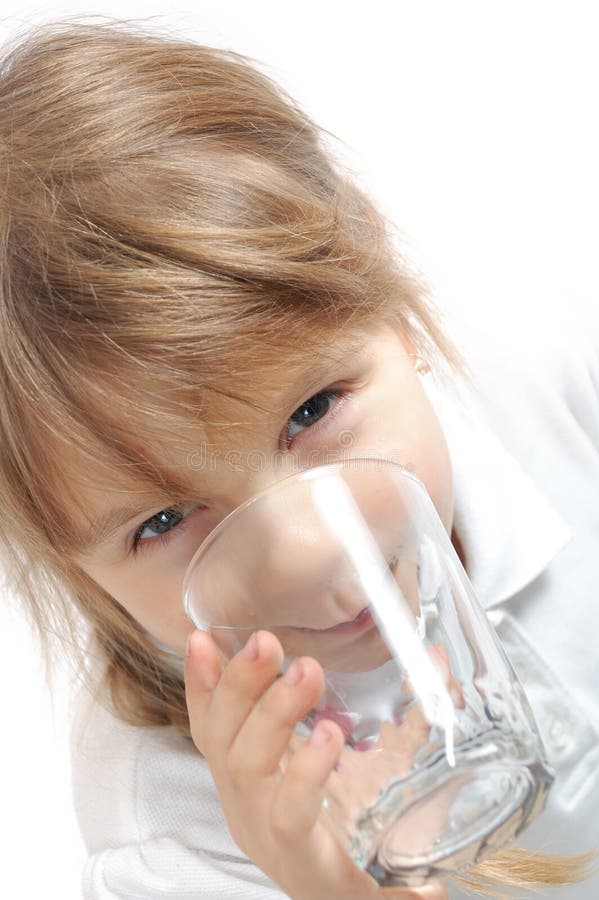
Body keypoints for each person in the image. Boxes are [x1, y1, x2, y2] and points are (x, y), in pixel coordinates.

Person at [0, 16, 597, 900]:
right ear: (72, 568)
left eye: (312, 412)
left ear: (383, 284)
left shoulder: (549, 379)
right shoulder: (171, 832)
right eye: (163, 521)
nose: (309, 558)